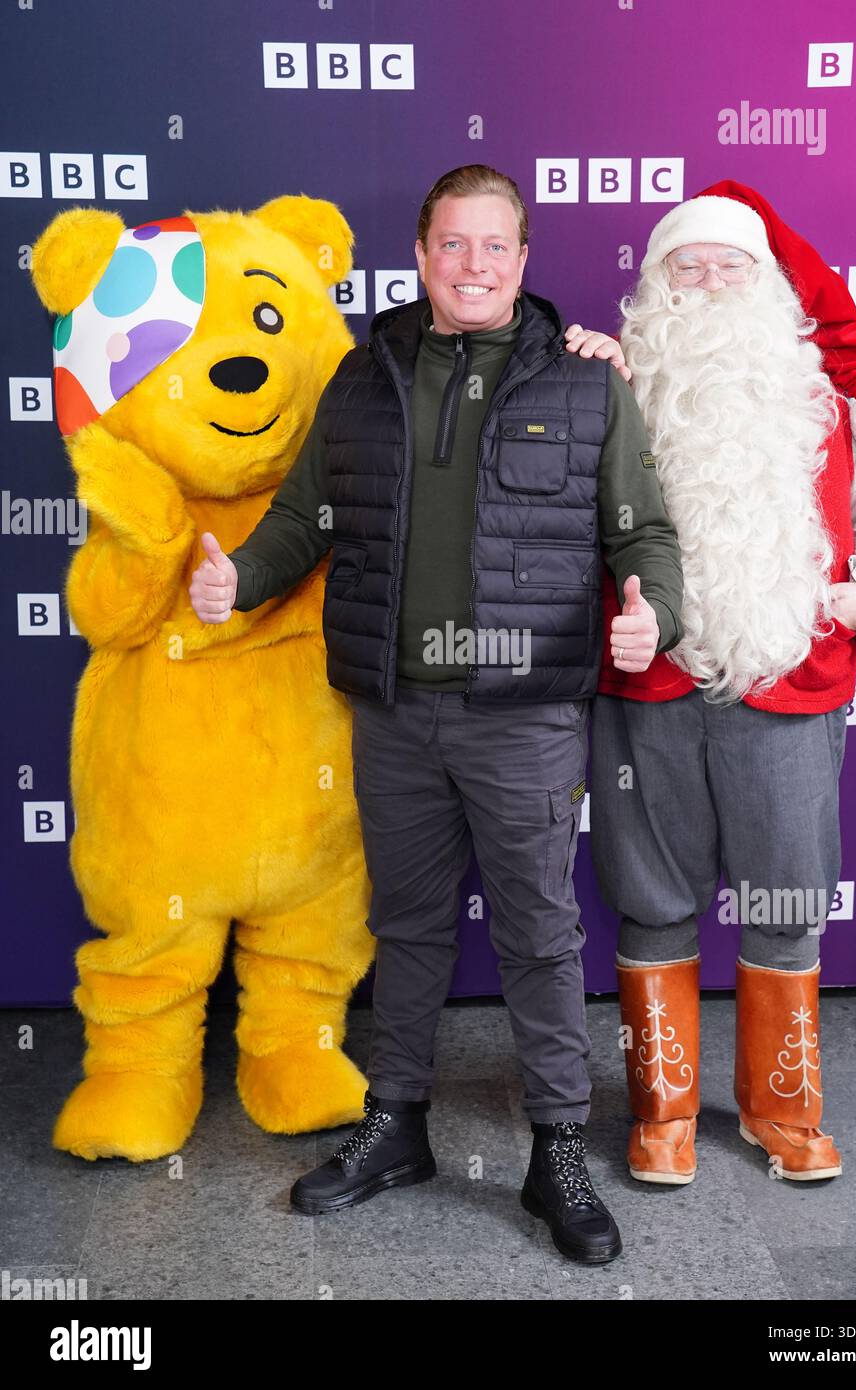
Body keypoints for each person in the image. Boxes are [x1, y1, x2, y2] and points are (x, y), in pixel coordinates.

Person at [188, 164, 684, 1264]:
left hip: (524, 718)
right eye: (451, 245)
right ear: (420, 256)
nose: (472, 265)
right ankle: (397, 1122)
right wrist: (243, 581)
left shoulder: (588, 385)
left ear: (523, 258)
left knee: (541, 937)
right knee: (405, 931)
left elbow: (643, 538)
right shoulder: (362, 380)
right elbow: (305, 516)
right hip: (396, 715)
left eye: (492, 246)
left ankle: (556, 1146)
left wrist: (660, 619)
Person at [566, 180, 856, 1186]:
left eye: (733, 267)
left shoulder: (827, 403)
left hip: (790, 679)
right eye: (691, 266)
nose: (712, 283)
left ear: (767, 285)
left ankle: (783, 1113)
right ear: (659, 285)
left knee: (786, 899)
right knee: (653, 899)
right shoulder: (619, 392)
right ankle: (663, 1112)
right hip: (652, 688)